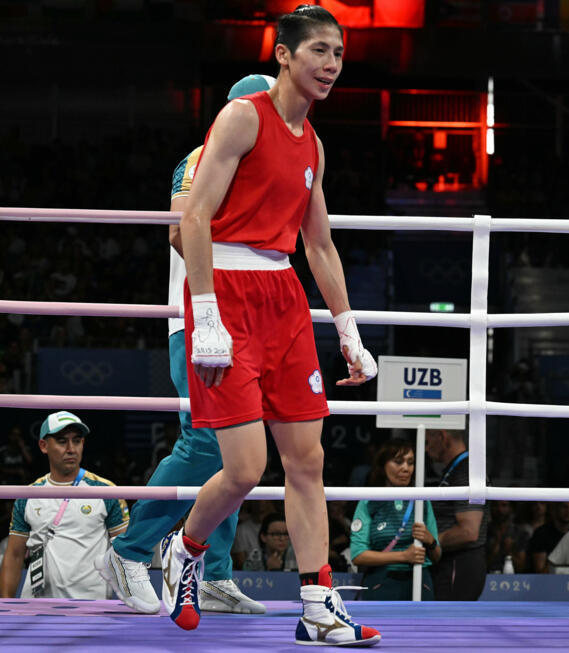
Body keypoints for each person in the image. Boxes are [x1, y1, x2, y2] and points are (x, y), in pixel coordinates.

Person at [159, 6, 380, 646]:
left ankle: (317, 605)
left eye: (338, 53)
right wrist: (204, 315)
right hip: (224, 288)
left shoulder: (312, 142)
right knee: (246, 468)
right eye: (318, 50)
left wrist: (347, 328)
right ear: (284, 55)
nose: (331, 64)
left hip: (283, 295)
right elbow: (193, 220)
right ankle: (186, 547)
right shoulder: (240, 117)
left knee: (306, 461)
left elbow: (320, 246)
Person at [94, 74, 273, 618]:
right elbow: (180, 228)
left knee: (238, 451)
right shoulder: (204, 156)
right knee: (202, 443)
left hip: (250, 322)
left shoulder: (270, 163)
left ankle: (211, 574)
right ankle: (129, 550)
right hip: (201, 318)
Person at [0, 411, 129, 599]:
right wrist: (5, 611)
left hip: (91, 610)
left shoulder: (107, 492)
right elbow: (14, 556)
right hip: (35, 610)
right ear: (43, 446)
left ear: (83, 444)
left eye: (76, 441)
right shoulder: (27, 496)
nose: (71, 449)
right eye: (62, 441)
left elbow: (125, 554)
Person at [349, 440, 441, 600]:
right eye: (398, 462)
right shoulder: (368, 501)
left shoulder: (422, 501)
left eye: (410, 463)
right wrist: (404, 556)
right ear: (383, 465)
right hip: (381, 584)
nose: (405, 468)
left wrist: (430, 540)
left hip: (421, 582)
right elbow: (358, 555)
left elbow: (437, 555)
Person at [425, 428, 488, 600]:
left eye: (428, 442)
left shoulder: (466, 471)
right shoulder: (456, 470)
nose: (426, 449)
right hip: (452, 563)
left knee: (449, 624)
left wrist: (431, 543)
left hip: (459, 564)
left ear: (443, 436)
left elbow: (469, 532)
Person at [526, 501, 569, 573]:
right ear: (556, 508)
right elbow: (540, 570)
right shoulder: (542, 533)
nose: (568, 511)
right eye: (564, 507)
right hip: (547, 579)